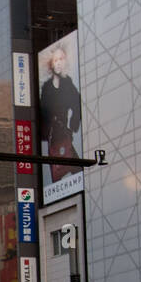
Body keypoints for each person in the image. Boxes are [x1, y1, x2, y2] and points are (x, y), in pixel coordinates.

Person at [39, 43, 82, 182]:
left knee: (78, 170)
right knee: (57, 175)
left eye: (61, 59)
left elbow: (77, 102)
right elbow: (42, 114)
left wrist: (73, 124)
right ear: (51, 64)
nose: (58, 63)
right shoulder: (46, 88)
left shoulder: (67, 83)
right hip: (53, 139)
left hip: (65, 134)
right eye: (55, 60)